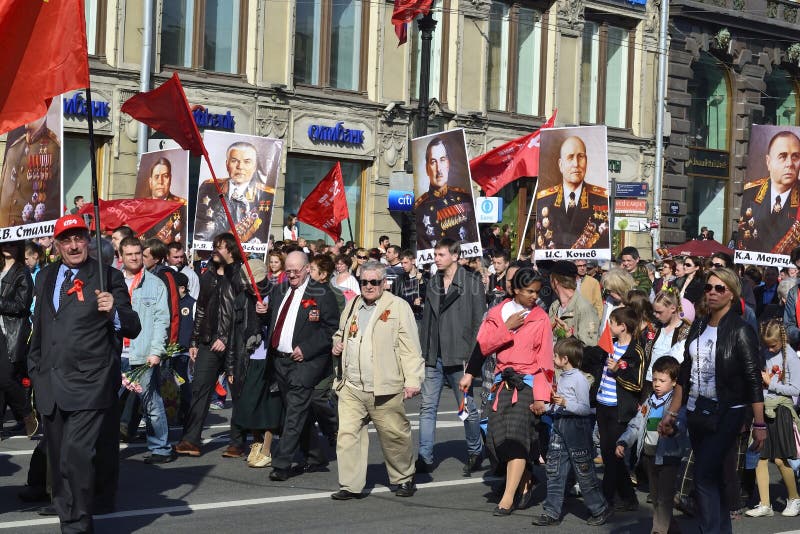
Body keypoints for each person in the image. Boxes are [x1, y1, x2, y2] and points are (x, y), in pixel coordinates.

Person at [27, 214, 140, 532]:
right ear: (57, 244)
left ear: (88, 240)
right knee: (59, 461)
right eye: (66, 239)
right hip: (50, 382)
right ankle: (70, 519)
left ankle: (77, 526)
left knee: (75, 456)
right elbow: (43, 327)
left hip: (89, 383)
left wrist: (114, 311)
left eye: (79, 238)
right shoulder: (46, 276)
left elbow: (133, 323)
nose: (74, 245)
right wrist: (35, 368)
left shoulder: (107, 276)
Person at [659, 267, 767, 534]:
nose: (713, 293)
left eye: (720, 288)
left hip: (729, 412)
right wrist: (672, 413)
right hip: (697, 411)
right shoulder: (697, 325)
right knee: (715, 478)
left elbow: (753, 379)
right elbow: (685, 374)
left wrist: (760, 424)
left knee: (703, 476)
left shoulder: (741, 330)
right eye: (709, 288)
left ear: (732, 293)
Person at [329, 260, 423, 500]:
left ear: (384, 283)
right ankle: (350, 485)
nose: (368, 286)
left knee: (394, 436)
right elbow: (340, 333)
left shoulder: (398, 306)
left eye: (374, 282)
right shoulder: (352, 305)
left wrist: (413, 380)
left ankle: (403, 478)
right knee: (348, 435)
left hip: (384, 386)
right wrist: (337, 343)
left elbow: (410, 348)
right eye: (364, 282)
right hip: (351, 385)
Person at [466, 267, 555, 516]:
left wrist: (540, 397)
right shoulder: (497, 313)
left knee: (516, 435)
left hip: (527, 382)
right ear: (515, 290)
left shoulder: (541, 318)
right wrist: (506, 327)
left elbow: (545, 360)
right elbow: (483, 345)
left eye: (537, 292)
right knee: (495, 437)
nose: (533, 297)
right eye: (528, 291)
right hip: (501, 381)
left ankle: (508, 497)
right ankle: (526, 477)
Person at [266, 251, 339, 482]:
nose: (292, 274)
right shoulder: (279, 290)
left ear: (307, 268)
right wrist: (262, 313)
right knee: (299, 411)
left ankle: (282, 463)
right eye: (288, 270)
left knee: (294, 412)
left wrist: (306, 349)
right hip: (281, 360)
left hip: (305, 362)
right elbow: (275, 319)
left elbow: (331, 329)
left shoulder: (321, 292)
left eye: (296, 270)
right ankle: (315, 456)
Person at [417, 238, 486, 476]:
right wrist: (423, 352)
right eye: (435, 254)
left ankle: (475, 451)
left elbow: (479, 323)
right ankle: (424, 457)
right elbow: (427, 321)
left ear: (455, 256)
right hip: (434, 354)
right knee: (427, 407)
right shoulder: (433, 282)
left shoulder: (472, 282)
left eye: (441, 254)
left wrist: (472, 359)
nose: (436, 258)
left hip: (460, 355)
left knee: (466, 408)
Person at [531, 337, 612, 526]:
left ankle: (600, 509)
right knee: (554, 469)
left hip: (577, 427)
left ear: (565, 359)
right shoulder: (562, 377)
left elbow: (584, 408)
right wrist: (547, 408)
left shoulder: (579, 379)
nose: (553, 359)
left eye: (556, 356)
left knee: (583, 471)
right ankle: (551, 512)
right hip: (560, 424)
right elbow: (560, 405)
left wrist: (565, 403)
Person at [174, 233, 240, 457]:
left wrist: (226, 337)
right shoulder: (207, 276)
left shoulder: (239, 276)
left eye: (220, 247)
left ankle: (237, 442)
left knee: (237, 393)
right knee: (200, 388)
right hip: (207, 341)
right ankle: (191, 440)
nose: (215, 250)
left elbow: (240, 314)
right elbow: (200, 311)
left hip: (232, 344)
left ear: (230, 250)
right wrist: (193, 339)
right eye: (214, 246)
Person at [615, 356, 689, 533]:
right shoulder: (649, 401)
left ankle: (658, 531)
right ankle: (672, 529)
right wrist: (624, 441)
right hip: (649, 456)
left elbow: (682, 426)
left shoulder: (675, 405)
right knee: (656, 498)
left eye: (662, 380)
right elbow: (636, 424)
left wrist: (673, 431)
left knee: (664, 499)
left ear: (674, 383)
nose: (657, 384)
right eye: (655, 379)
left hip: (668, 457)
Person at [117, 237, 173, 464]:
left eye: (137, 253)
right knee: (108, 404)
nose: (133, 257)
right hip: (115, 353)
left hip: (142, 354)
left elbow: (162, 320)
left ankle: (161, 447)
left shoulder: (154, 284)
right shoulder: (112, 280)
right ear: (121, 256)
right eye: (129, 254)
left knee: (152, 403)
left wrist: (156, 351)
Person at [588, 306, 645, 510]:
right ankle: (629, 498)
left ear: (622, 326)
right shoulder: (609, 345)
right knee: (608, 454)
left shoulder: (635, 351)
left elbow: (637, 384)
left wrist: (617, 372)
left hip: (619, 410)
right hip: (603, 405)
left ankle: (606, 499)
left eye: (611, 322)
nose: (608, 326)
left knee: (614, 455)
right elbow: (591, 358)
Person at [745, 319, 800, 517]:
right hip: (764, 408)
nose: (770, 348)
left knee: (780, 458)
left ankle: (794, 499)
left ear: (782, 340)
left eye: (773, 345)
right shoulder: (765, 353)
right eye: (767, 345)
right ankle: (765, 504)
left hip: (781, 411)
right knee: (760, 457)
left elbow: (796, 388)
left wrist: (771, 384)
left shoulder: (791, 357)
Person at [535, 135, 609, 250]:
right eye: (570, 157)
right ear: (560, 165)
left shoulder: (601, 199)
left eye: (581, 157)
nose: (576, 164)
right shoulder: (544, 200)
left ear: (587, 161)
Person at [195, 142, 274, 244]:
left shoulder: (267, 194)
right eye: (234, 161)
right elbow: (202, 226)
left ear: (255, 167)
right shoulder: (209, 187)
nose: (240, 166)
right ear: (227, 164)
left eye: (247, 162)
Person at [738, 131, 800, 254]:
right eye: (782, 156)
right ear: (768, 162)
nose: (790, 164)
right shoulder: (750, 193)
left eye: (795, 157)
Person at [413, 137, 479, 249]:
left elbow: (472, 236)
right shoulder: (420, 207)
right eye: (433, 162)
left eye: (442, 159)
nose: (439, 169)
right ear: (426, 168)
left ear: (448, 164)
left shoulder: (464, 198)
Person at [0, 240, 36, 438]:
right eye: (4, 243)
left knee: (6, 378)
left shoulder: (23, 273)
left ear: (19, 248)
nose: (7, 247)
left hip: (11, 332)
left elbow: (22, 306)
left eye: (12, 244)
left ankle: (26, 414)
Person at [0, 115, 61, 227]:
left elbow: (55, 198)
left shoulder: (54, 147)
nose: (26, 118)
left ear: (42, 117)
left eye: (31, 114)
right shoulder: (15, 146)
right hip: (6, 230)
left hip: (30, 230)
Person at [548, 260, 599, 346]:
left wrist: (569, 336)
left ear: (555, 281)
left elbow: (590, 347)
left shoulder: (584, 307)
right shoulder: (555, 306)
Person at [139, 157, 188, 244]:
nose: (160, 181)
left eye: (165, 176)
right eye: (156, 177)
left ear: (170, 179)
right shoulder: (140, 207)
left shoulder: (182, 207)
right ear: (150, 182)